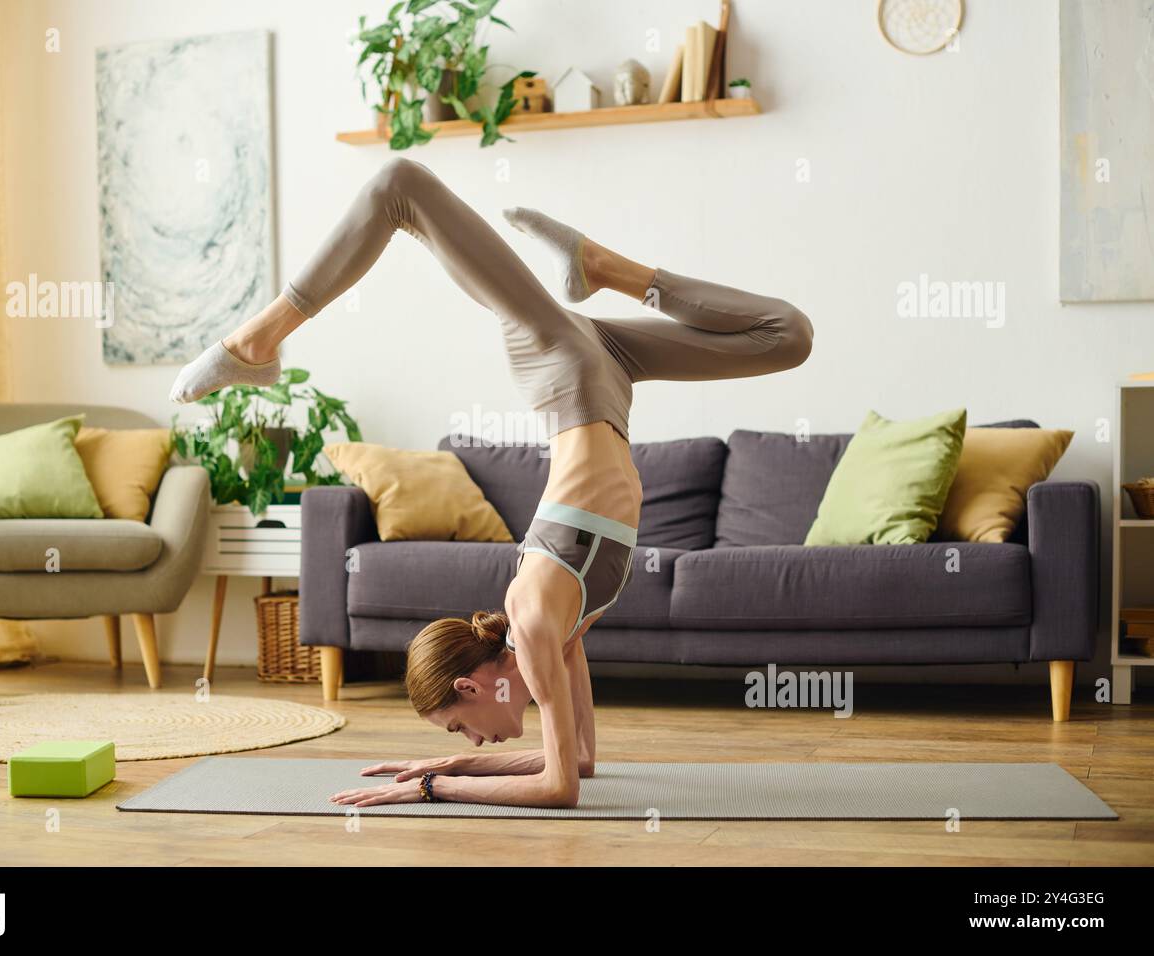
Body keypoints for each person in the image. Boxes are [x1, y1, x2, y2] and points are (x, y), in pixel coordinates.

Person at [170, 158, 813, 808]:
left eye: (459, 728)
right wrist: (453, 764)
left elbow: (557, 787)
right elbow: (579, 765)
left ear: (475, 688)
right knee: (786, 337)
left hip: (562, 363)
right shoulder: (550, 630)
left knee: (400, 187)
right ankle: (602, 267)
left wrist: (434, 786)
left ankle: (255, 342)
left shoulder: (533, 624)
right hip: (604, 374)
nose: (476, 743)